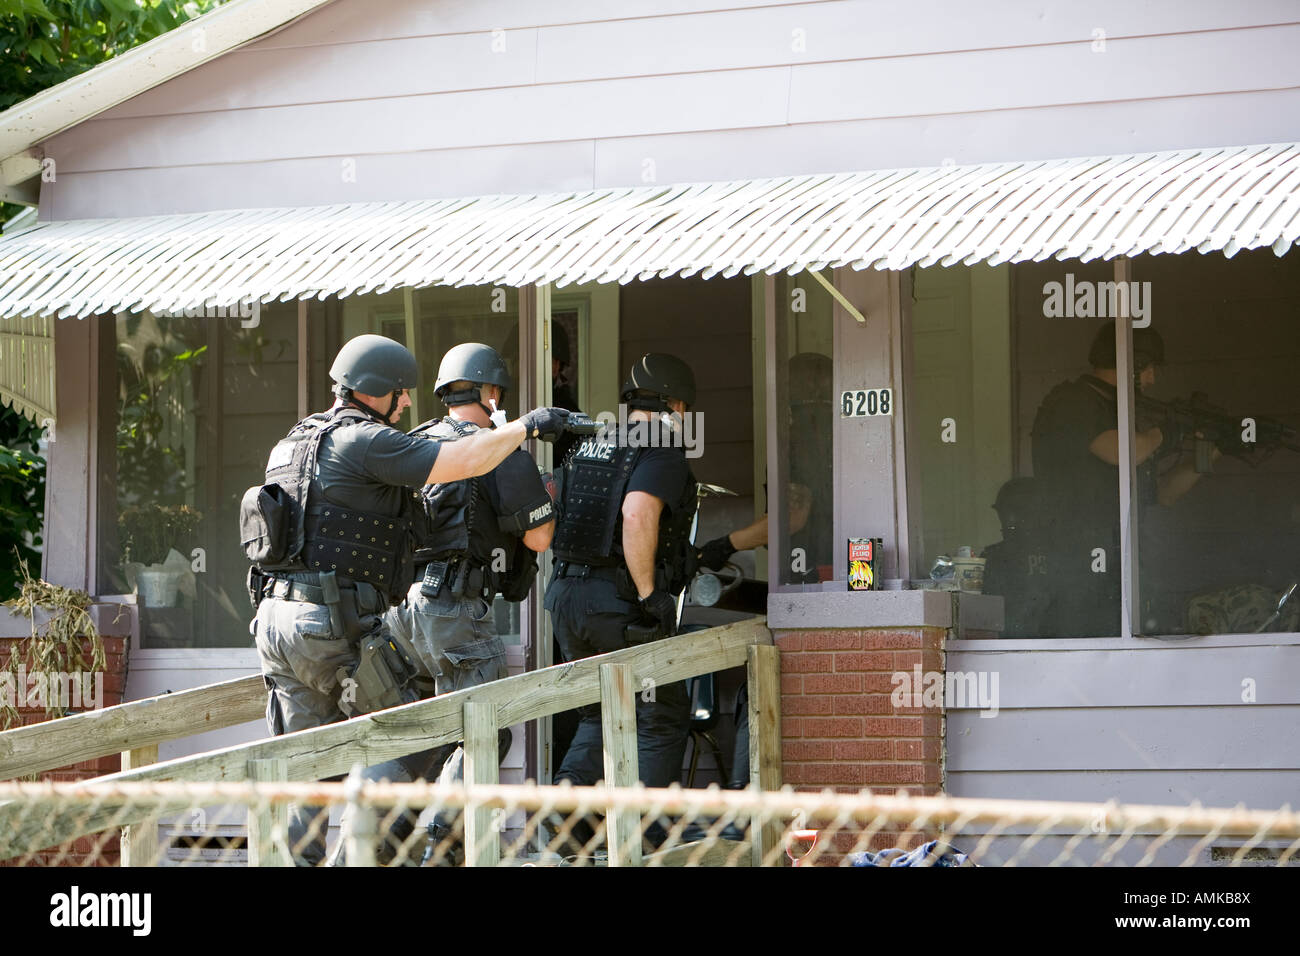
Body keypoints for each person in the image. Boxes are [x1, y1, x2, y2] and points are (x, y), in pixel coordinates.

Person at [243, 333, 573, 865]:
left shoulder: (294, 441)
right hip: (328, 623)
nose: (405, 406)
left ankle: (305, 860)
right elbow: (465, 458)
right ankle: (377, 853)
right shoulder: (368, 441)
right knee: (416, 732)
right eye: (400, 394)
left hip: (273, 622)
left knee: (306, 763)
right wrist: (526, 427)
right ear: (378, 389)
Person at [381, 342, 557, 865]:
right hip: (454, 608)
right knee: (487, 727)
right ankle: (441, 837)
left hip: (399, 611)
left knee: (420, 730)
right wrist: (546, 493)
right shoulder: (498, 446)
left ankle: (395, 836)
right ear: (490, 393)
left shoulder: (411, 443)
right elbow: (540, 539)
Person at [546, 353, 700, 795]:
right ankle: (646, 840)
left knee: (601, 712)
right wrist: (650, 594)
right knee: (659, 715)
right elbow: (636, 515)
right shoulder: (661, 443)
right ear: (675, 405)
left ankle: (565, 813)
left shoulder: (591, 440)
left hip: (566, 598)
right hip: (616, 603)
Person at [1029, 322, 1217, 637]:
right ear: (1132, 363)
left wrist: (1211, 452)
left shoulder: (1117, 410)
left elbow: (1163, 494)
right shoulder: (1074, 400)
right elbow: (1119, 451)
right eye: (1149, 369)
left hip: (1118, 560)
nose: (1152, 379)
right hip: (1077, 557)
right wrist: (1167, 432)